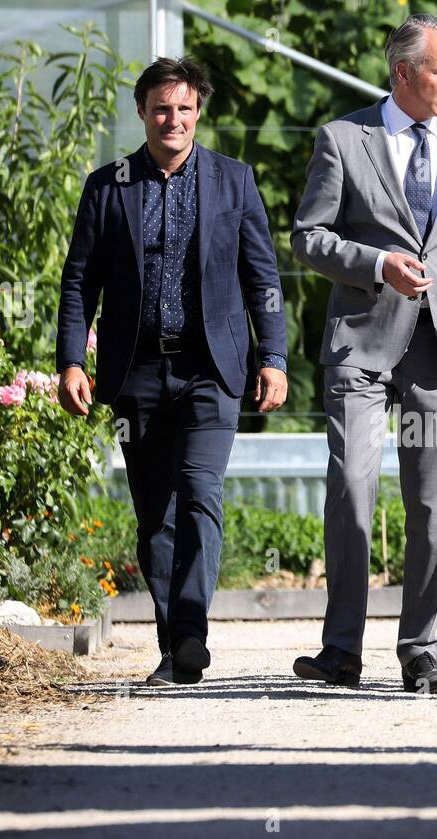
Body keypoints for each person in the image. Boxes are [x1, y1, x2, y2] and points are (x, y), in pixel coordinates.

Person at [290, 14, 437, 694]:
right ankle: (341, 652)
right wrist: (375, 262)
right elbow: (308, 237)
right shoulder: (343, 138)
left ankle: (420, 651)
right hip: (361, 342)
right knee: (353, 492)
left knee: (431, 503)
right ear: (404, 74)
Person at [56, 57, 288, 687]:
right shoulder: (109, 186)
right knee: (154, 510)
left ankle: (190, 631)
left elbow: (262, 279)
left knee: (201, 492)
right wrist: (72, 360)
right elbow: (79, 282)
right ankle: (172, 641)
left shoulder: (233, 181)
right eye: (162, 108)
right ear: (143, 113)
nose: (174, 120)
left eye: (184, 108)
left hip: (212, 367)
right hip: (136, 372)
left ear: (198, 112)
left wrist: (273, 356)